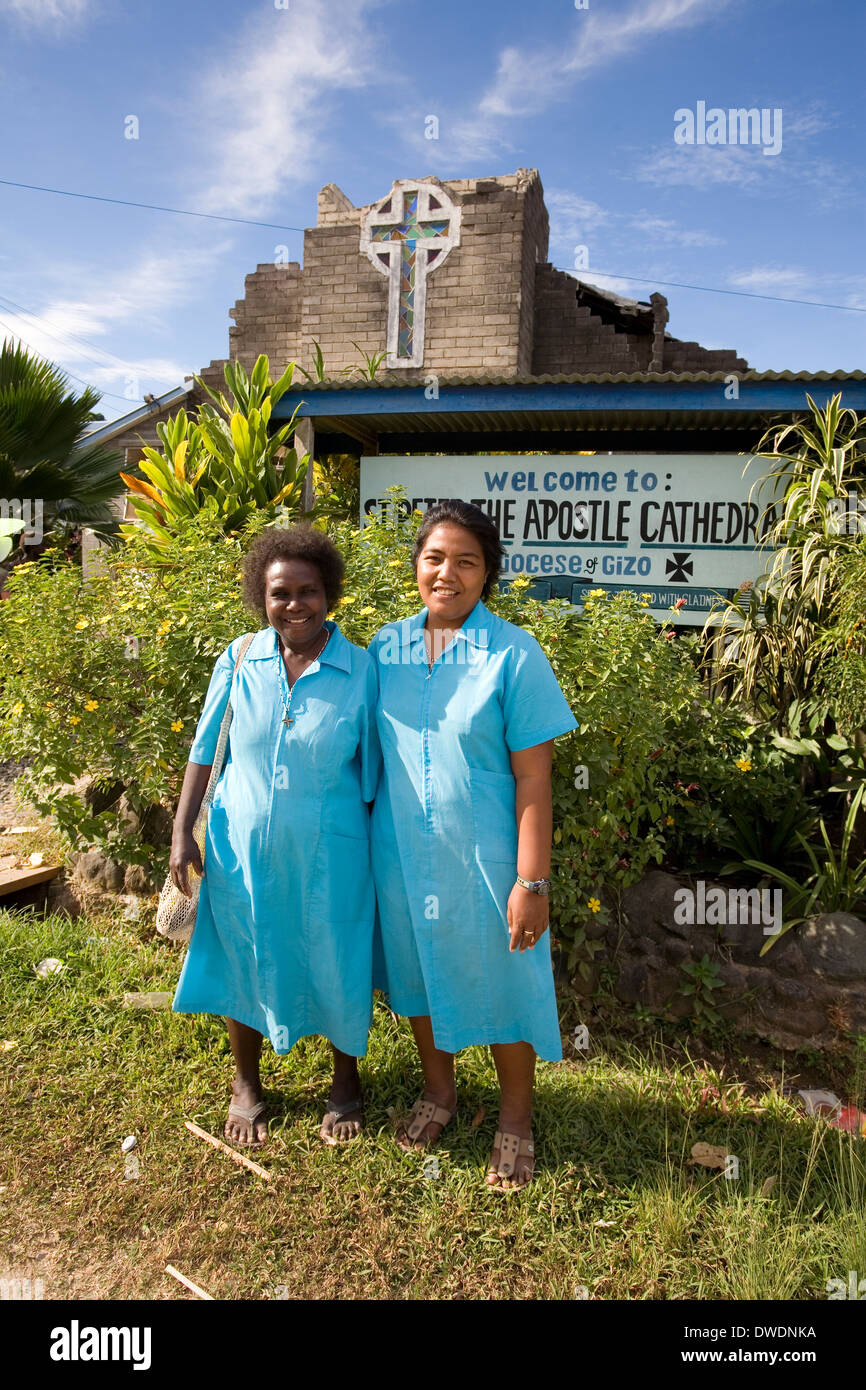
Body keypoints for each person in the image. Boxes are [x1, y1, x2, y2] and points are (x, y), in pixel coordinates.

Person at [370, 500, 577, 1190]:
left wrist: (532, 881)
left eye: (466, 561)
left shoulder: (513, 654)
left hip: (487, 865)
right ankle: (440, 1093)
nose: (448, 573)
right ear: (416, 567)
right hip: (401, 859)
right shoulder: (385, 648)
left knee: (507, 986)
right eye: (435, 558)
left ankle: (515, 1119)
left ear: (488, 572)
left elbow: (535, 779)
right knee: (420, 976)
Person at [170, 525, 380, 1149]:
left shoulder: (361, 670)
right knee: (246, 955)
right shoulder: (239, 658)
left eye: (308, 591)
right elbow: (206, 752)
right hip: (242, 851)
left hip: (334, 853)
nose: (295, 605)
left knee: (338, 957)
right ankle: (246, 1085)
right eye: (280, 593)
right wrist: (183, 831)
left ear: (329, 593)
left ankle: (345, 1086)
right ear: (260, 597)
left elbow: (373, 771)